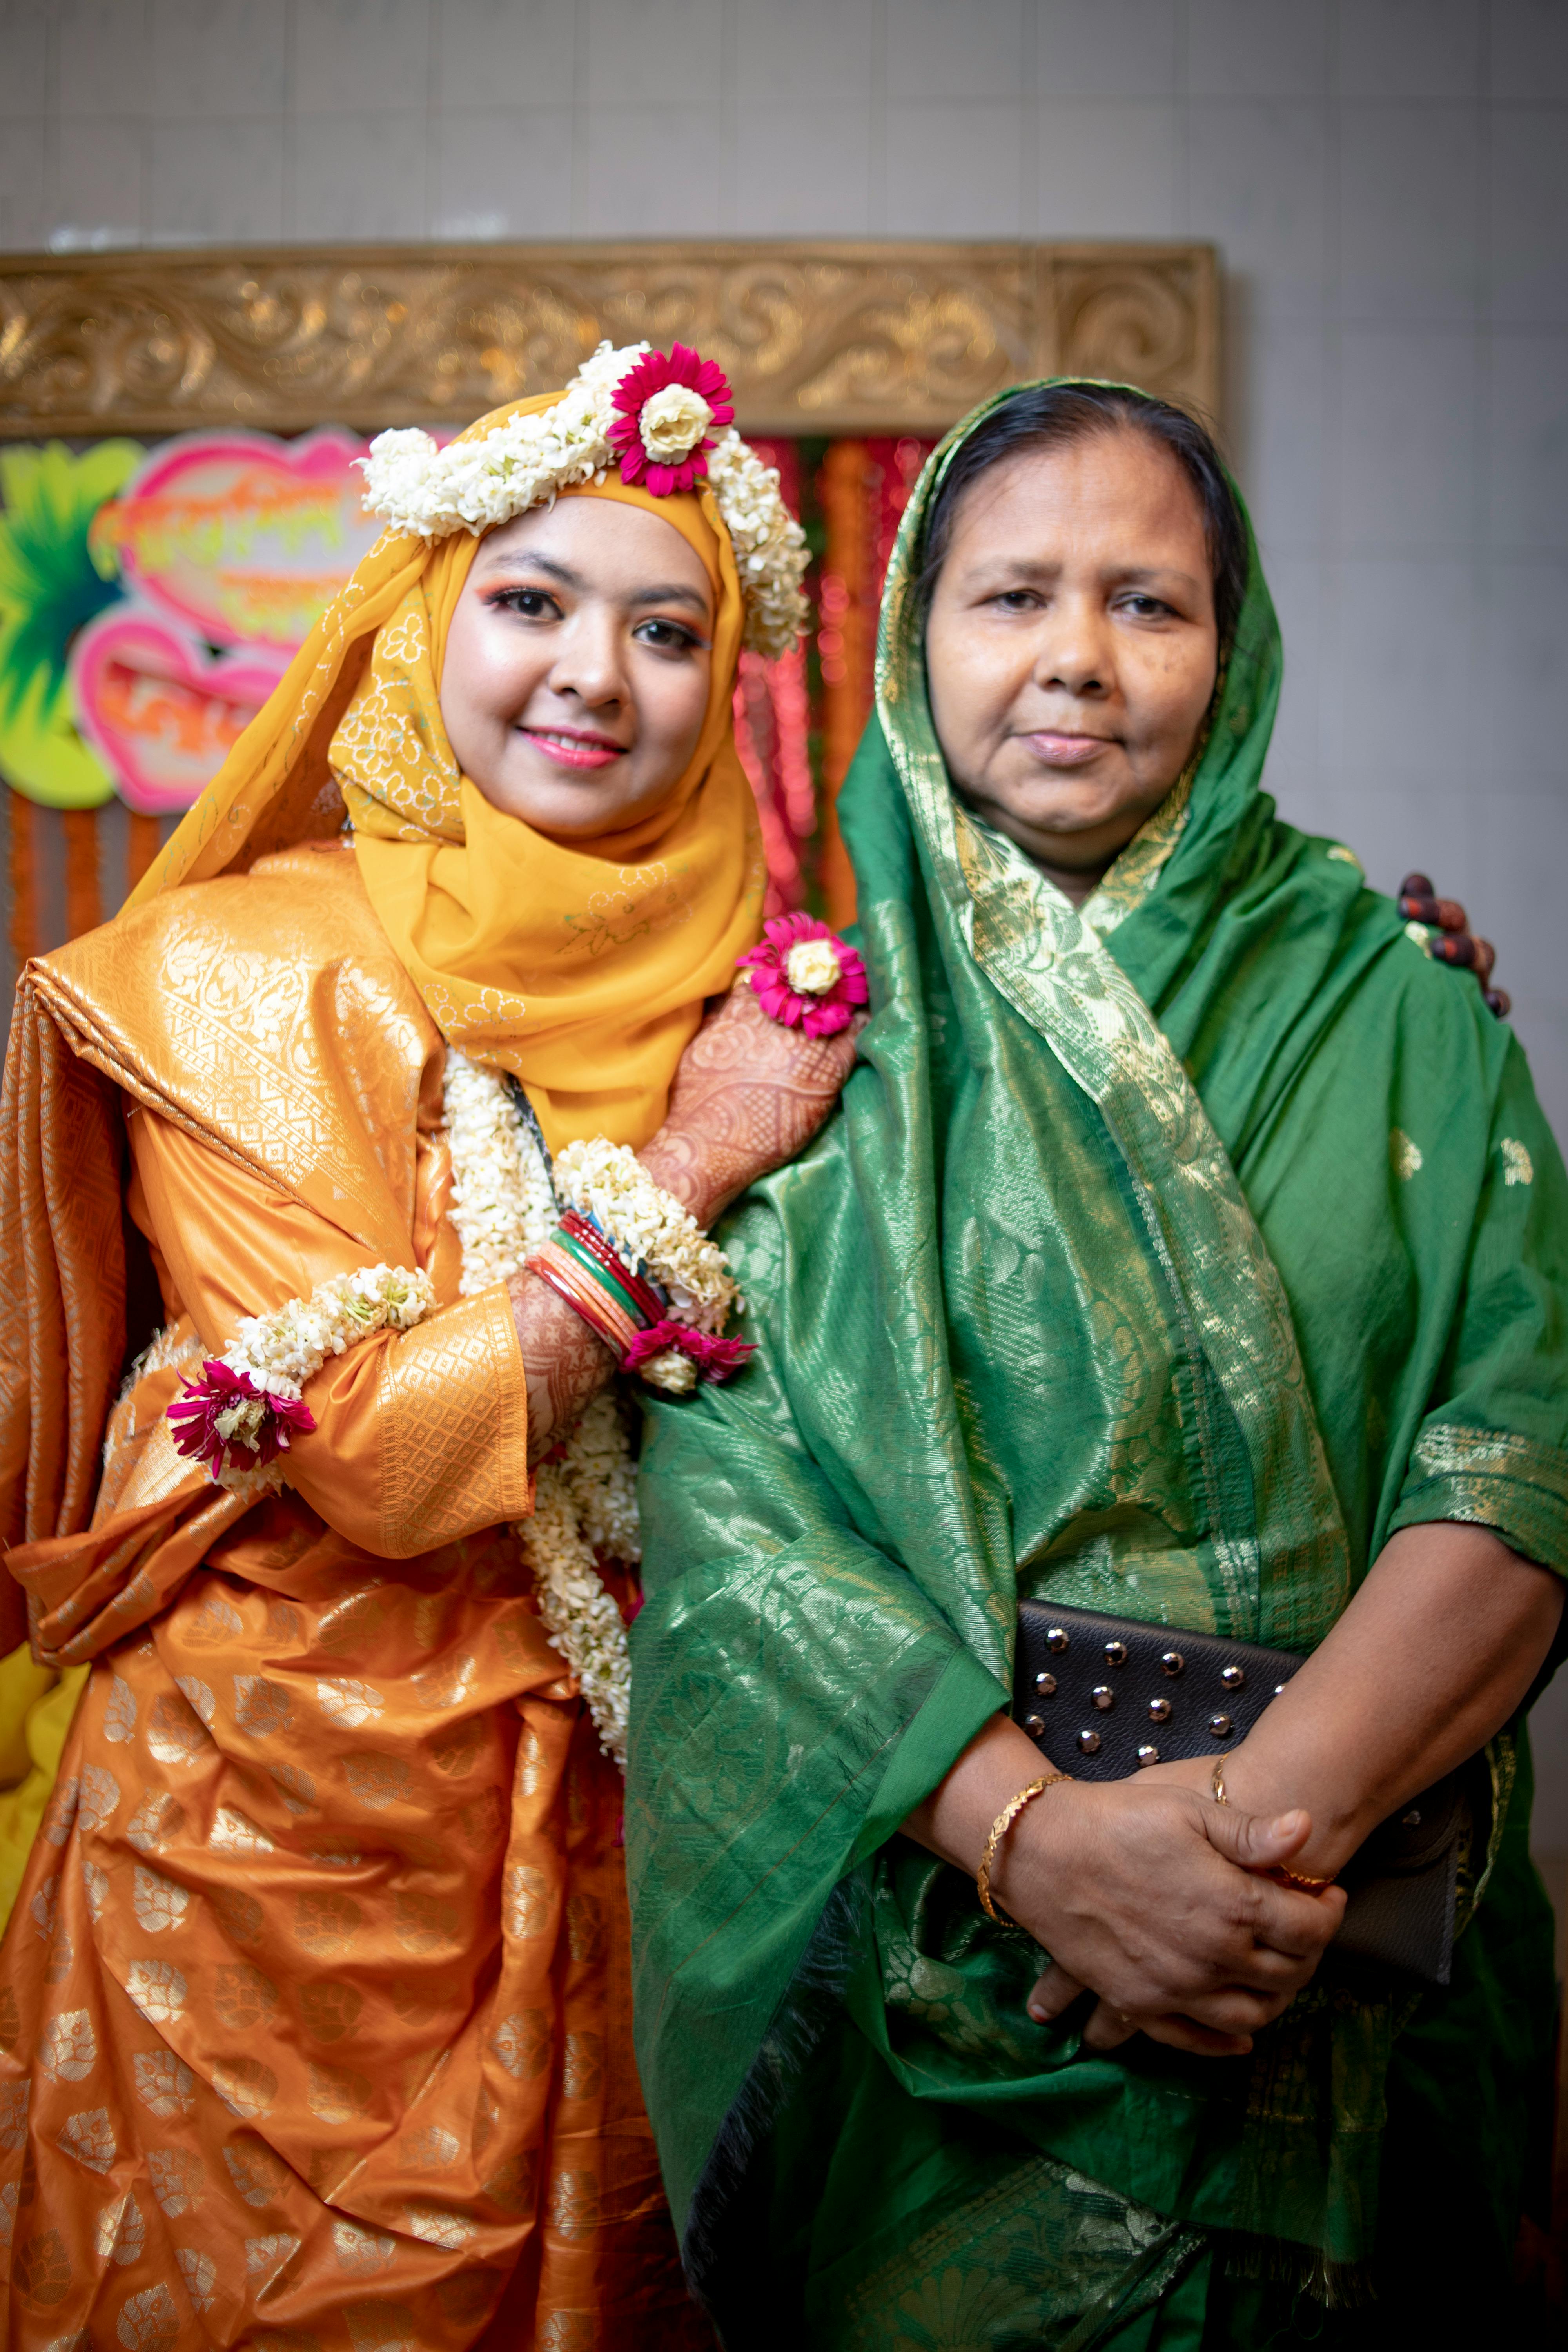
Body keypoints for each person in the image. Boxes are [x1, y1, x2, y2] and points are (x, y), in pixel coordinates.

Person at [627, 381, 1568, 2347]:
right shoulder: (799, 1043)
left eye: (1148, 602)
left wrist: (1238, 1865)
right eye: (1011, 598)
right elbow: (743, 1510)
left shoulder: (1406, 1011)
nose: (1075, 658)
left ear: (1233, 650)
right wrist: (1042, 1848)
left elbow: (1521, 1451)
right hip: (957, 1965)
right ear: (913, 639)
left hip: (1342, 1933)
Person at [0, 345, 857, 2348]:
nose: (593, 672)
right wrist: (700, 1159)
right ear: (417, 620)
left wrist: (1374, 972)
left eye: (666, 631)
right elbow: (379, 1455)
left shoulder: (758, 988)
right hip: (265, 1844)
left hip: (631, 1827)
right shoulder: (238, 970)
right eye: (531, 602)